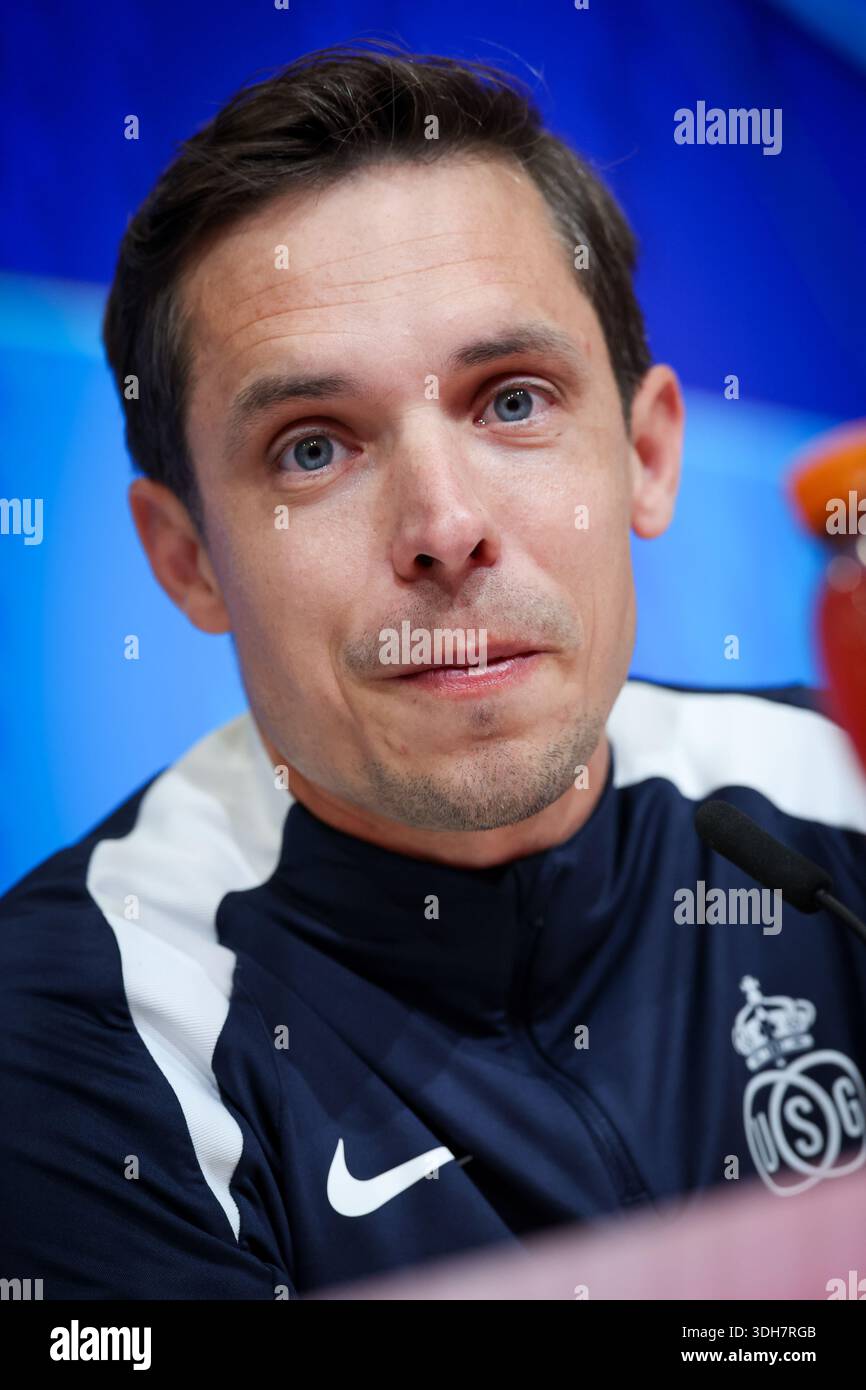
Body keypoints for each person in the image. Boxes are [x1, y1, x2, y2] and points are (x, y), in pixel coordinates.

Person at [2, 42, 866, 1300]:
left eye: (511, 401)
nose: (443, 525)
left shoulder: (837, 798)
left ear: (645, 456)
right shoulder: (78, 1029)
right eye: (312, 448)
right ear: (186, 559)